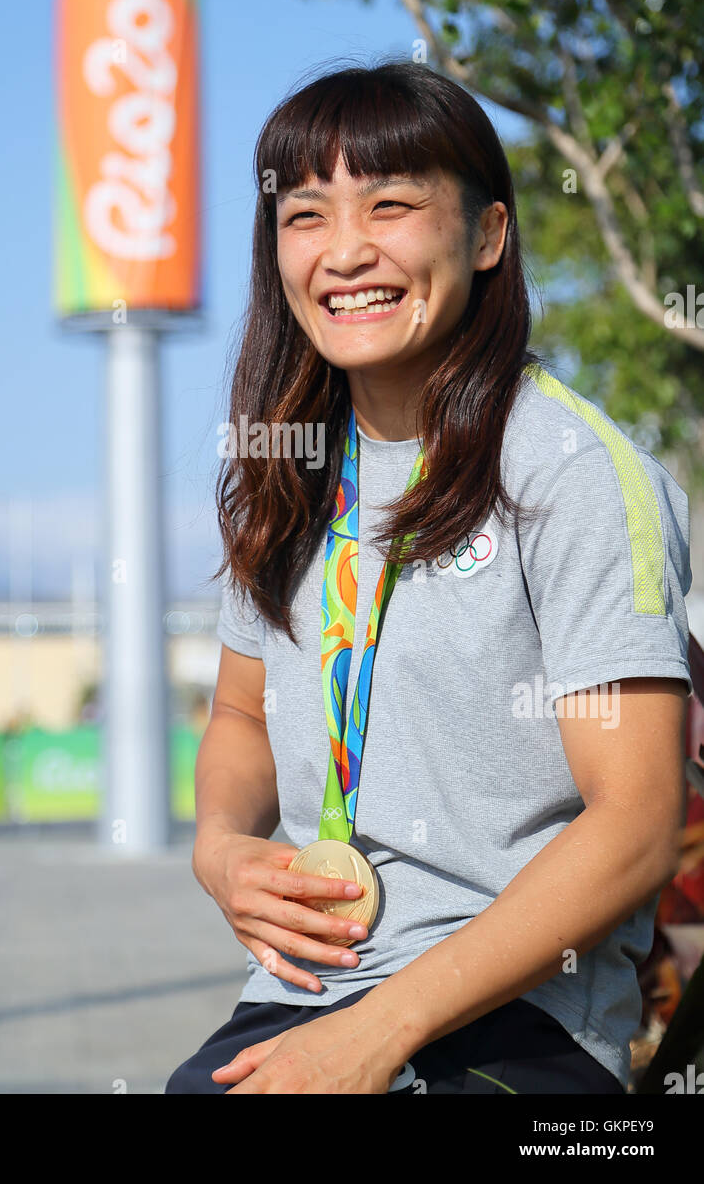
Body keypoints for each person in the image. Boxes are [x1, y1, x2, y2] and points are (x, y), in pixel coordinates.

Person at [165, 60, 692, 1095]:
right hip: (300, 994)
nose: (345, 250)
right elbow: (237, 710)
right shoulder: (287, 469)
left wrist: (379, 1033)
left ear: (486, 235)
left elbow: (633, 827)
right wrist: (220, 849)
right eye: (304, 214)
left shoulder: (571, 472)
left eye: (391, 205)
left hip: (520, 1019)